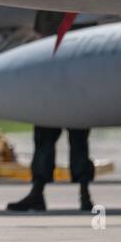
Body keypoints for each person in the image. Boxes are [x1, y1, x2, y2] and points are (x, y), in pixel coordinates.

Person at [8, 11, 94, 212]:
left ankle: (83, 193)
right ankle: (39, 193)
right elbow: (41, 38)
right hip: (52, 77)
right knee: (45, 136)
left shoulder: (81, 2)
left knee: (77, 137)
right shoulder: (48, 2)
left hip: (75, 76)